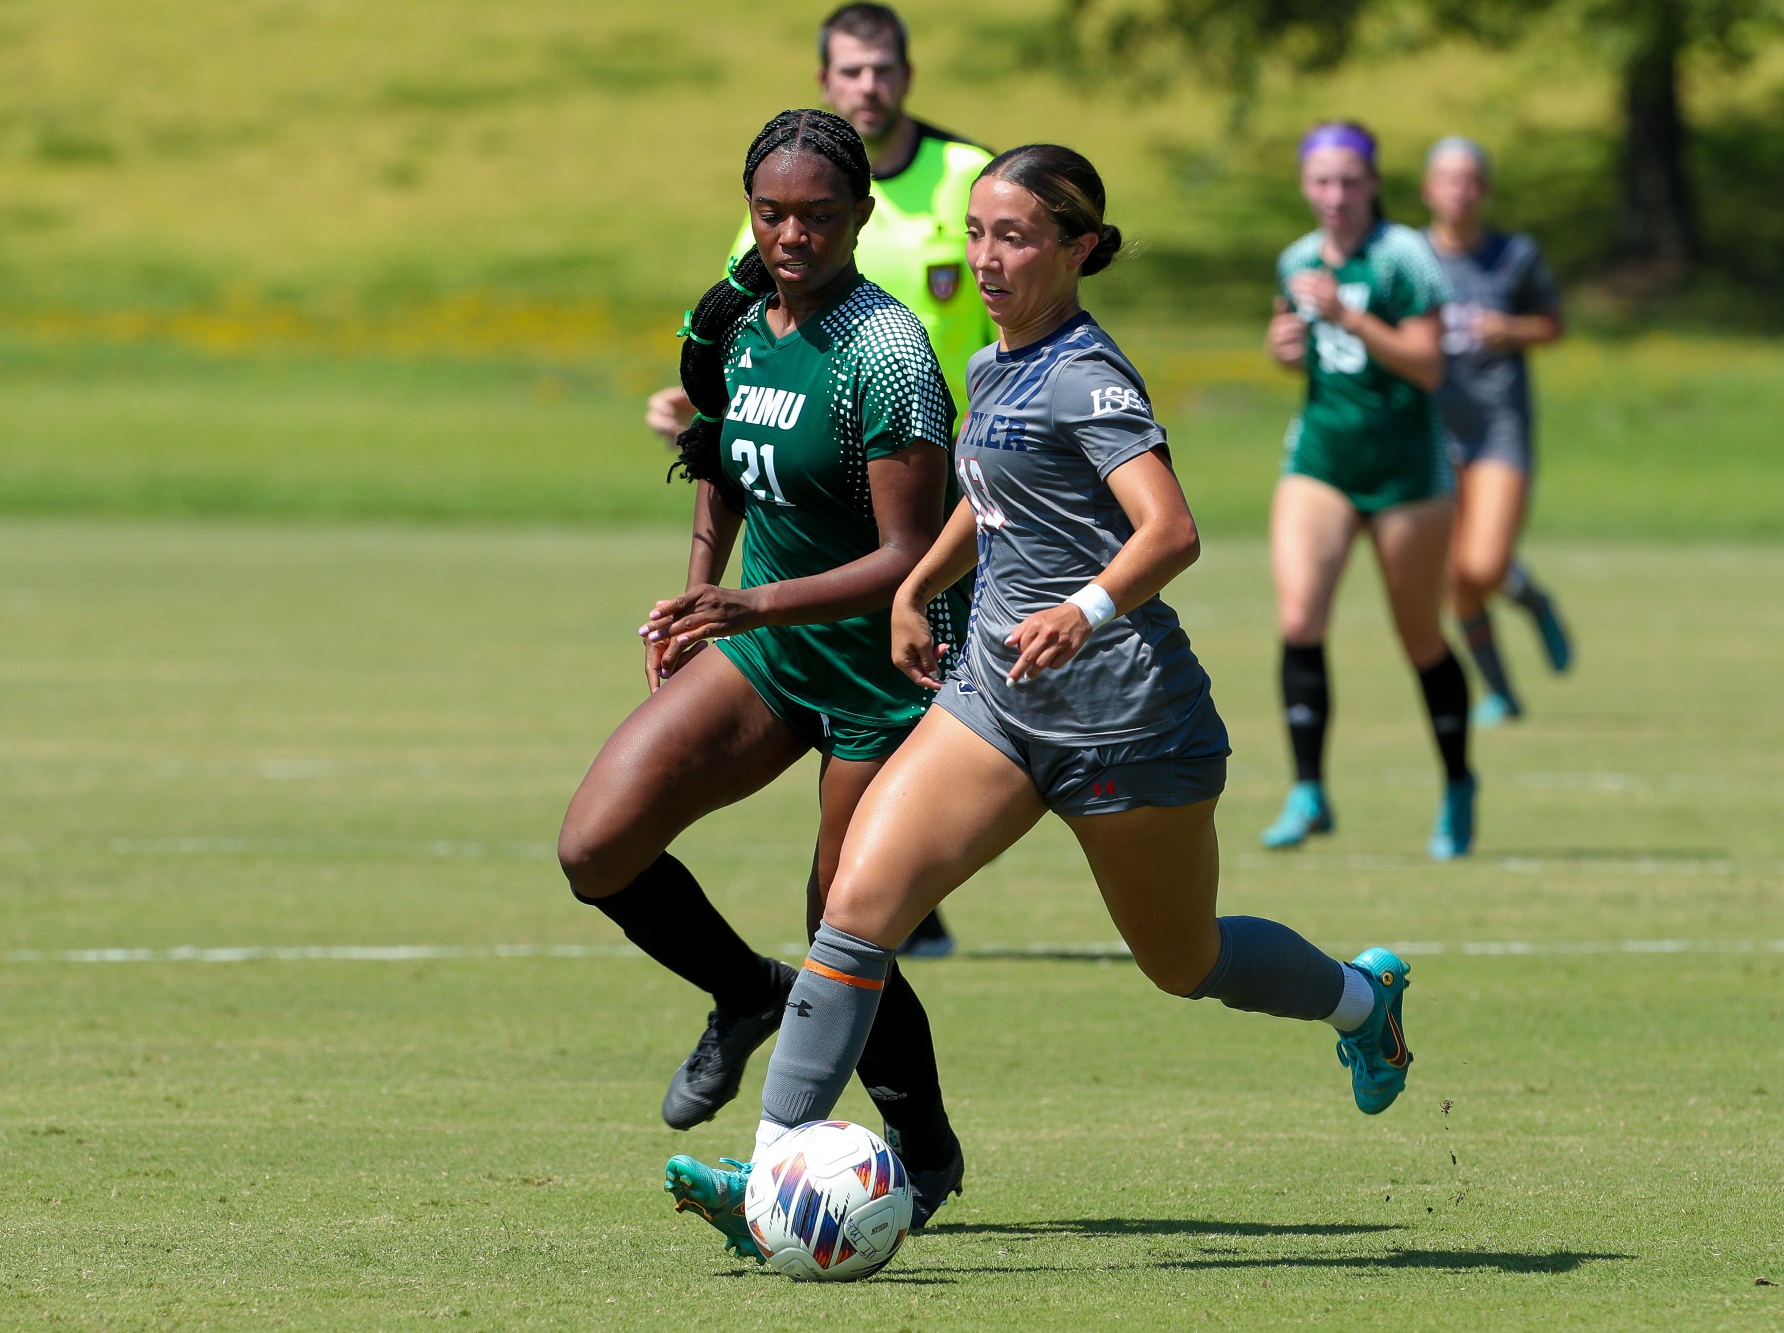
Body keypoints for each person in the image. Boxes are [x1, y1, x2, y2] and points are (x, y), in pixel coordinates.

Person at [664, 144, 1417, 1261]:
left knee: (1183, 961)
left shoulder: (1085, 373)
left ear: (1077, 248)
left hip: (1123, 719)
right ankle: (771, 1166)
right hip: (996, 705)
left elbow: (1171, 531)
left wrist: (1085, 610)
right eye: (974, 233)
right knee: (857, 904)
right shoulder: (993, 365)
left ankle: (1361, 1003)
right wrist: (919, 581)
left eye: (1012, 237)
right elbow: (990, 494)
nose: (985, 257)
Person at [557, 109, 966, 1233]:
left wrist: (746, 599)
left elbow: (906, 559)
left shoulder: (888, 355)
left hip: (888, 669)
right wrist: (698, 592)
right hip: (768, 647)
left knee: (845, 921)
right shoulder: (737, 319)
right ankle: (745, 993)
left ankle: (924, 1152)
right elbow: (717, 452)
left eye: (817, 217)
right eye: (770, 212)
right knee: (597, 846)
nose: (791, 235)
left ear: (860, 217)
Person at [647, 2, 993, 959]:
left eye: (881, 69)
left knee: (847, 906)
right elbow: (734, 359)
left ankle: (898, 866)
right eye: (848, 71)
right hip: (813, 503)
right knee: (607, 838)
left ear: (907, 75)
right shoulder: (782, 194)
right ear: (827, 80)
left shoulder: (971, 180)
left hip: (949, 487)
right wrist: (705, 406)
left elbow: (1034, 276)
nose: (867, 85)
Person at [1259, 122, 1480, 860]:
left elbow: (1427, 365)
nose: (1336, 196)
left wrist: (1348, 314)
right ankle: (1308, 790)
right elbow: (1305, 345)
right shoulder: (1295, 259)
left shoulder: (1404, 256)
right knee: (1300, 617)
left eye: (1349, 181)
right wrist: (1284, 346)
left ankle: (1456, 783)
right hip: (1322, 459)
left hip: (1408, 473)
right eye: (1321, 181)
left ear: (1373, 183)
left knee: (1419, 635)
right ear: (1304, 185)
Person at [1422, 136, 1573, 727]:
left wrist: (1509, 328)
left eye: (1469, 179)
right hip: (1432, 433)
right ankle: (1501, 693)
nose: (1459, 190)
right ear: (1429, 190)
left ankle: (1532, 599)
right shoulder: (1409, 256)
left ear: (1482, 190)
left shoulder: (1516, 255)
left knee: (1482, 567)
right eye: (1448, 179)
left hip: (1499, 428)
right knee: (1453, 574)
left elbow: (1554, 325)